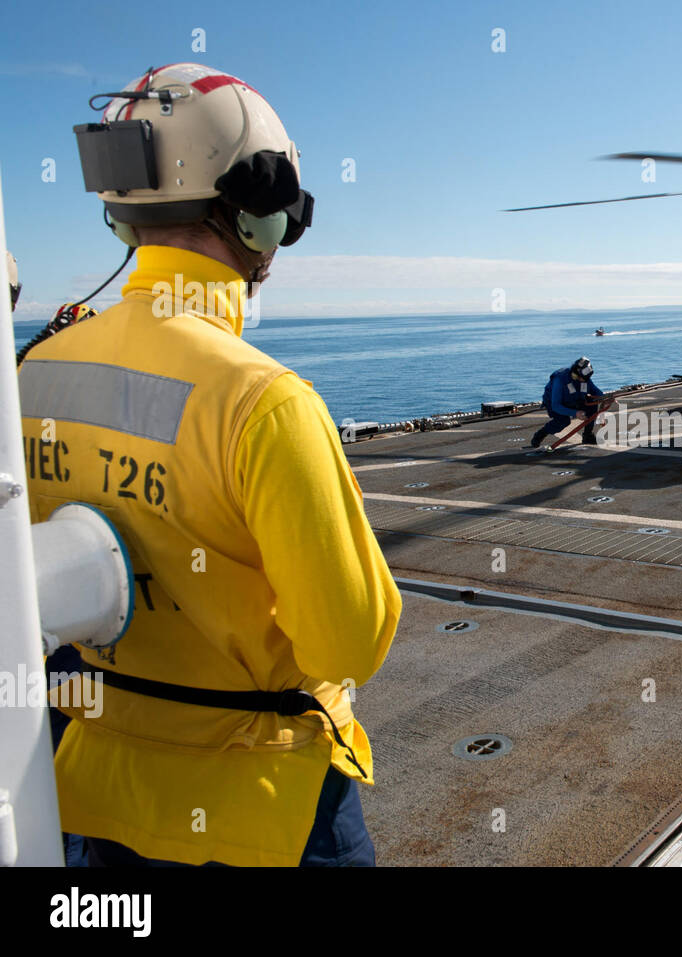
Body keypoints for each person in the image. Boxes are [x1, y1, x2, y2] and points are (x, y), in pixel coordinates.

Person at [17, 63, 400, 866]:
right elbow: (347, 643)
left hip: (97, 791)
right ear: (257, 213)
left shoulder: (34, 373)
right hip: (264, 810)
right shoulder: (265, 402)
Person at [531, 356, 604, 447]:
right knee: (563, 422)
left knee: (592, 406)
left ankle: (587, 436)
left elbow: (596, 392)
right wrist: (575, 413)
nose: (584, 381)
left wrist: (605, 398)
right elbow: (556, 405)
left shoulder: (584, 378)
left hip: (573, 399)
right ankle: (540, 435)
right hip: (555, 403)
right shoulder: (560, 379)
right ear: (575, 374)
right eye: (582, 379)